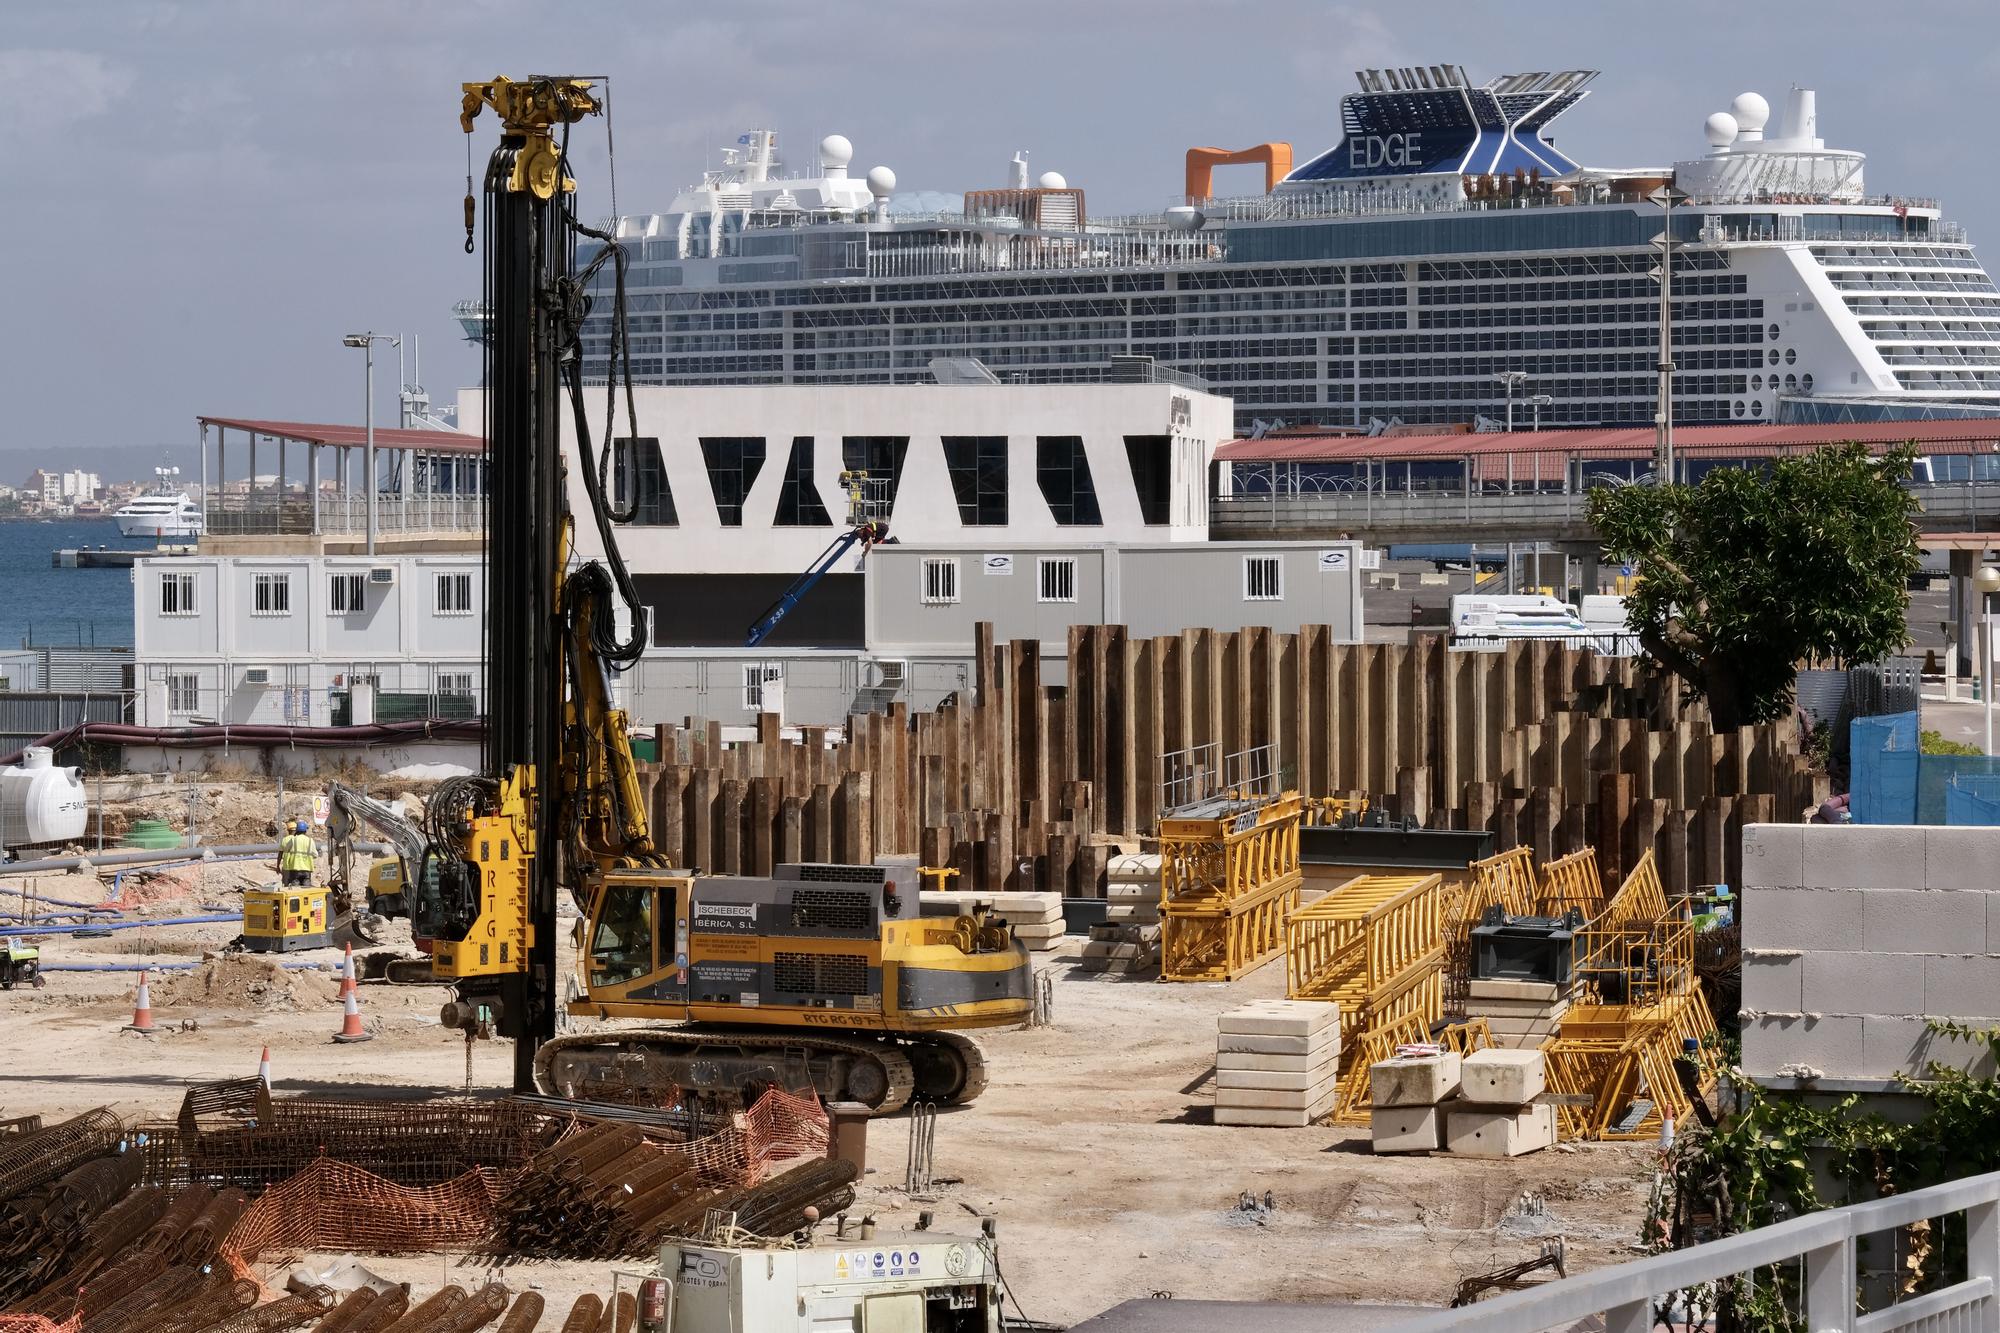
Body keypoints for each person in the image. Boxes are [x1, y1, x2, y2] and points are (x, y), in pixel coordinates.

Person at [279, 820, 317, 887]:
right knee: (306, 888)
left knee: (295, 889)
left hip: (295, 868)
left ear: (297, 830)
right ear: (305, 831)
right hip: (307, 869)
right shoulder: (310, 841)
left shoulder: (293, 839)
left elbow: (286, 850)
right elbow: (315, 855)